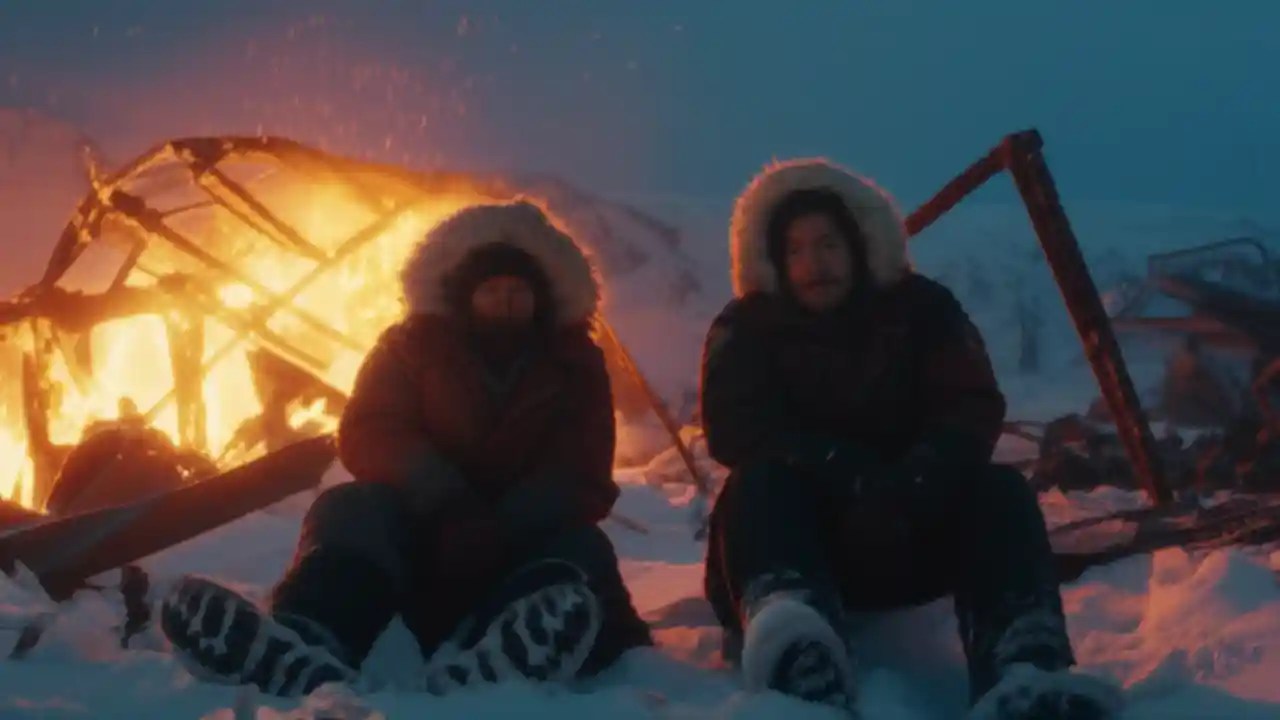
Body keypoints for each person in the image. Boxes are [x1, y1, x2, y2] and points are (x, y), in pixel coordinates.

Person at [160, 200, 651, 697]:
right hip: (421, 528)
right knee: (351, 509)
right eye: (492, 290)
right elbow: (372, 429)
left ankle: (511, 648)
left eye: (518, 292)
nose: (505, 302)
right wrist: (448, 503)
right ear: (466, 294)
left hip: (521, 541)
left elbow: (581, 468)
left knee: (579, 547)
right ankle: (306, 638)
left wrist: (504, 526)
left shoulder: (575, 363)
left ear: (541, 298)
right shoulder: (408, 347)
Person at [699, 159, 1123, 718]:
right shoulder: (745, 327)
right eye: (795, 249)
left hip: (912, 520)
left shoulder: (923, 310)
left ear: (858, 242)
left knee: (1000, 490)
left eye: (828, 244)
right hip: (797, 538)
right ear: (772, 259)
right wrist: (838, 468)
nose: (814, 263)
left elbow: (969, 404)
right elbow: (736, 427)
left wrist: (923, 473)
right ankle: (795, 650)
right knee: (757, 486)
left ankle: (1024, 664)